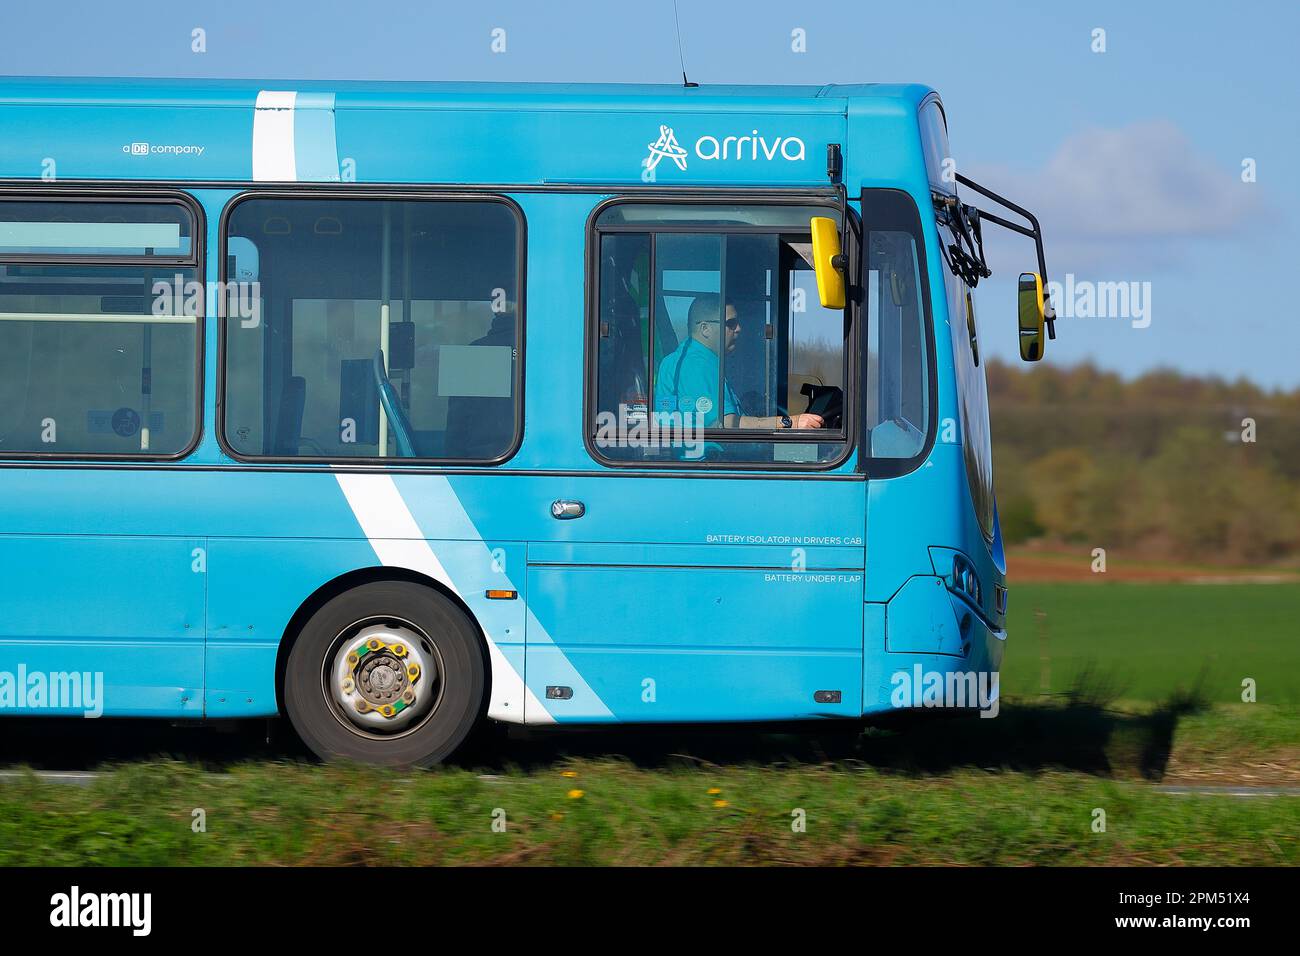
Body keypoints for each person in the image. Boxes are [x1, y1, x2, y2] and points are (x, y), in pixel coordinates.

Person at [654, 293, 823, 430]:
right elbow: (728, 424)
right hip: (711, 463)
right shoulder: (696, 365)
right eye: (731, 324)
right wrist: (792, 422)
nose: (739, 329)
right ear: (705, 328)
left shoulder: (680, 360)